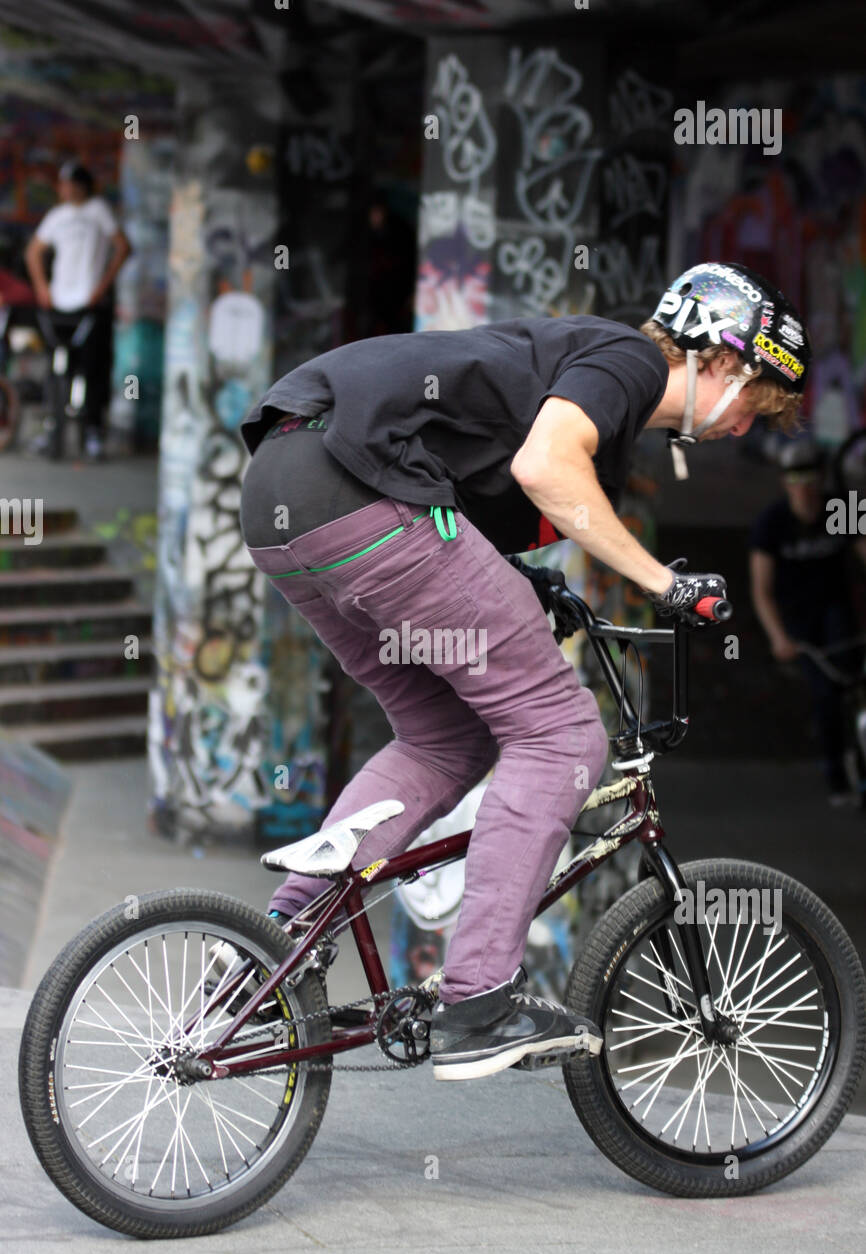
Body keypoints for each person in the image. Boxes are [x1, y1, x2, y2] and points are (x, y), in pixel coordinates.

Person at [238, 260, 809, 1081]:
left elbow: (478, 491)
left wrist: (532, 581)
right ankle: (480, 1002)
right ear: (719, 362)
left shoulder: (584, 376)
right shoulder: (631, 361)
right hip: (360, 495)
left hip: (284, 498)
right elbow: (545, 465)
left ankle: (275, 948)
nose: (748, 428)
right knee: (561, 731)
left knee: (445, 736)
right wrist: (666, 583)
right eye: (757, 402)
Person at [750, 437, 866, 804]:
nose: (806, 487)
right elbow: (762, 590)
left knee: (855, 681)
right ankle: (837, 775)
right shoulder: (772, 523)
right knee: (826, 697)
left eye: (812, 477)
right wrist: (778, 637)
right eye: (796, 478)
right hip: (798, 625)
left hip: (839, 614)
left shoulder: (841, 507)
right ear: (786, 482)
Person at [24, 161, 131, 459]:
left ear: (84, 186)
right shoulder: (57, 216)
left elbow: (123, 247)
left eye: (72, 183)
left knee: (93, 368)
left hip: (90, 305)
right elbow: (33, 251)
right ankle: (51, 428)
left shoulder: (99, 211)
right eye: (63, 184)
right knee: (56, 368)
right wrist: (41, 287)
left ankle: (94, 431)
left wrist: (102, 287)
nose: (67, 189)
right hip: (58, 304)